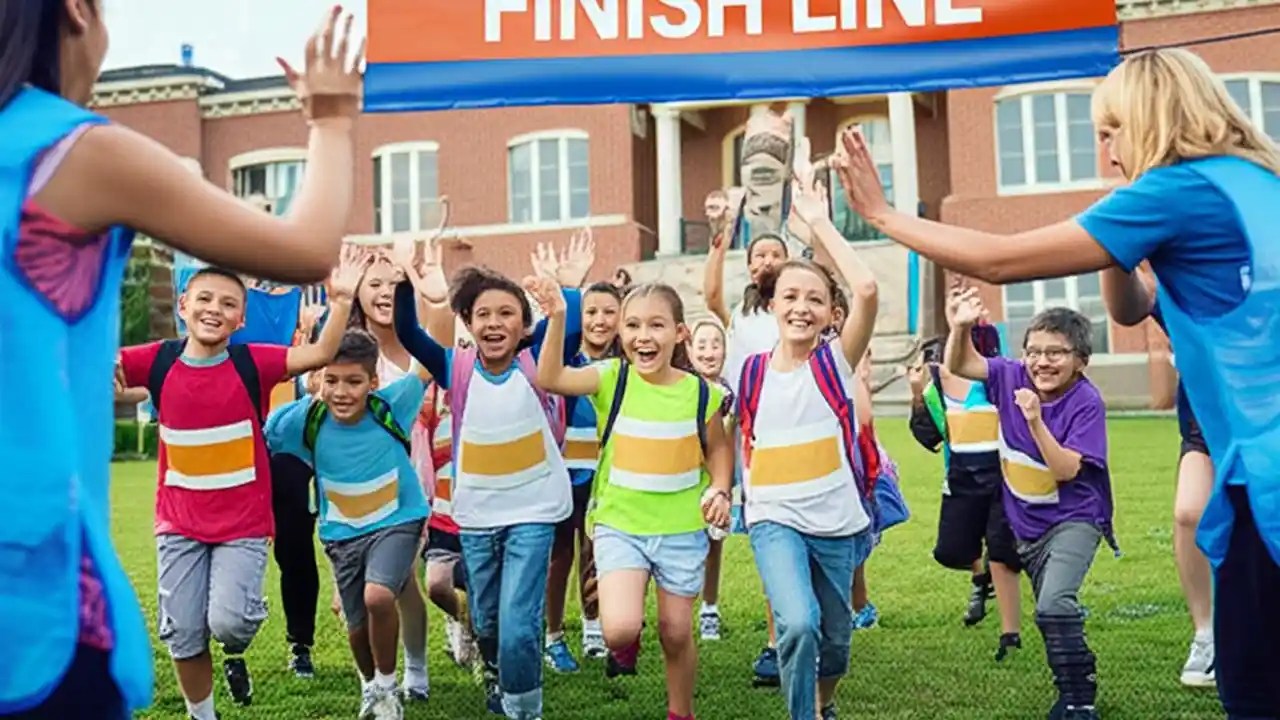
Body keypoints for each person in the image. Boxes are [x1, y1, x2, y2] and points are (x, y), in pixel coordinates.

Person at [833, 48, 1280, 719]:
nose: (1106, 155)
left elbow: (999, 258)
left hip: (1265, 471)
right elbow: (1130, 307)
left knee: (1255, 693)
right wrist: (1118, 235)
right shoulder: (1254, 180)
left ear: (1150, 120)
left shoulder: (1181, 189)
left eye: (1110, 132)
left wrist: (883, 214)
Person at [0, 4, 361, 716]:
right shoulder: (73, 151)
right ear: (77, 9)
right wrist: (330, 117)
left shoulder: (245, 359)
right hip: (35, 605)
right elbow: (309, 249)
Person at [115, 252, 365, 720]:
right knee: (182, 631)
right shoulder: (158, 360)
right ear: (183, 306)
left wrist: (344, 299)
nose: (215, 309)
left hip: (242, 524)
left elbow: (319, 354)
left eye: (228, 303)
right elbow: (103, 373)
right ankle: (202, 714)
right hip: (178, 522)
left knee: (229, 623)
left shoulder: (254, 362)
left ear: (242, 318)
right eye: (204, 299)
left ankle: (239, 634)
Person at [391, 244, 583, 719]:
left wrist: (569, 287)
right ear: (468, 323)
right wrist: (403, 281)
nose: (494, 323)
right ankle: (497, 668)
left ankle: (524, 707)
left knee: (519, 623)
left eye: (507, 314)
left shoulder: (537, 363)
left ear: (523, 325)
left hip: (534, 512)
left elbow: (572, 333)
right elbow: (409, 334)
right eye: (483, 315)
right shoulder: (455, 368)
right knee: (488, 618)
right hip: (477, 516)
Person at [533, 279, 733, 720]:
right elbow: (549, 377)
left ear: (680, 333)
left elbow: (718, 447)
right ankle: (630, 640)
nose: (644, 336)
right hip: (620, 524)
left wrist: (720, 488)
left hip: (682, 527)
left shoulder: (701, 392)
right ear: (621, 333)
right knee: (619, 630)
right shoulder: (610, 377)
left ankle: (681, 712)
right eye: (633, 326)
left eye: (657, 325)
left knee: (677, 631)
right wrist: (558, 318)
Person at [733, 154, 879, 720]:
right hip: (774, 518)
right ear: (771, 305)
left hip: (837, 522)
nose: (801, 306)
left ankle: (823, 703)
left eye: (814, 299)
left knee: (835, 640)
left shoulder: (835, 365)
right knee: (796, 623)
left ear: (830, 315)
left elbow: (865, 287)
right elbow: (731, 438)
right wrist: (722, 488)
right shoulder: (748, 372)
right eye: (790, 296)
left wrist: (819, 223)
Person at [945, 289, 1114, 720]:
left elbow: (1064, 470)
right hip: (1027, 524)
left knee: (1054, 604)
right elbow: (961, 364)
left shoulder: (1086, 402)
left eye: (1056, 352)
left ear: (1081, 360)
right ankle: (1071, 690)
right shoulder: (1010, 375)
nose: (1042, 361)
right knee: (1050, 615)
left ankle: (1080, 699)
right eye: (1034, 351)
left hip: (1076, 518)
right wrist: (961, 327)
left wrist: (1035, 419)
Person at [264, 329, 432, 720]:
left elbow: (425, 368)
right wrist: (310, 393)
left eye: (354, 381)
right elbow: (272, 431)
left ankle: (389, 690)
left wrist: (431, 297)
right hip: (342, 534)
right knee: (356, 625)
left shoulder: (392, 405)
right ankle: (371, 686)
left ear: (373, 383)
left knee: (378, 597)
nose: (342, 391)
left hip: (398, 520)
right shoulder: (311, 418)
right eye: (332, 379)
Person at [1100, 265, 1215, 687]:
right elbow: (1131, 304)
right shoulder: (1180, 292)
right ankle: (1206, 635)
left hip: (1262, 426)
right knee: (1188, 512)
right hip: (1205, 431)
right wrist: (1116, 253)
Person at [703, 187, 790, 686]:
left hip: (794, 436)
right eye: (758, 255)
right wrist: (722, 236)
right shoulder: (741, 317)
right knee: (764, 535)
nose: (766, 261)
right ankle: (776, 637)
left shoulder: (795, 309)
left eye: (775, 254)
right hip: (750, 440)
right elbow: (711, 296)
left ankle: (784, 638)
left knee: (782, 532)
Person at [908, 332, 1024, 660]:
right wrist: (917, 393)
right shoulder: (936, 390)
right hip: (961, 478)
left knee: (1003, 553)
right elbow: (927, 437)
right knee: (950, 551)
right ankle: (980, 574)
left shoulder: (995, 382)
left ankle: (1009, 633)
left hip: (1002, 477)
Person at [529, 232, 609, 672]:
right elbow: (569, 331)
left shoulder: (622, 364)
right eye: (593, 311)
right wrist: (571, 289)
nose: (599, 320)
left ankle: (594, 628)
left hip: (604, 475)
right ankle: (554, 635)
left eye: (608, 312)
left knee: (595, 552)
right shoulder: (566, 358)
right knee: (560, 556)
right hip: (562, 473)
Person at [687, 319, 733, 641]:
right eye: (701, 344)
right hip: (685, 481)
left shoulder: (730, 394)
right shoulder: (684, 390)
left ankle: (709, 608)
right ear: (689, 350)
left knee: (714, 545)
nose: (709, 351)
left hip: (717, 482)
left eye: (715, 344)